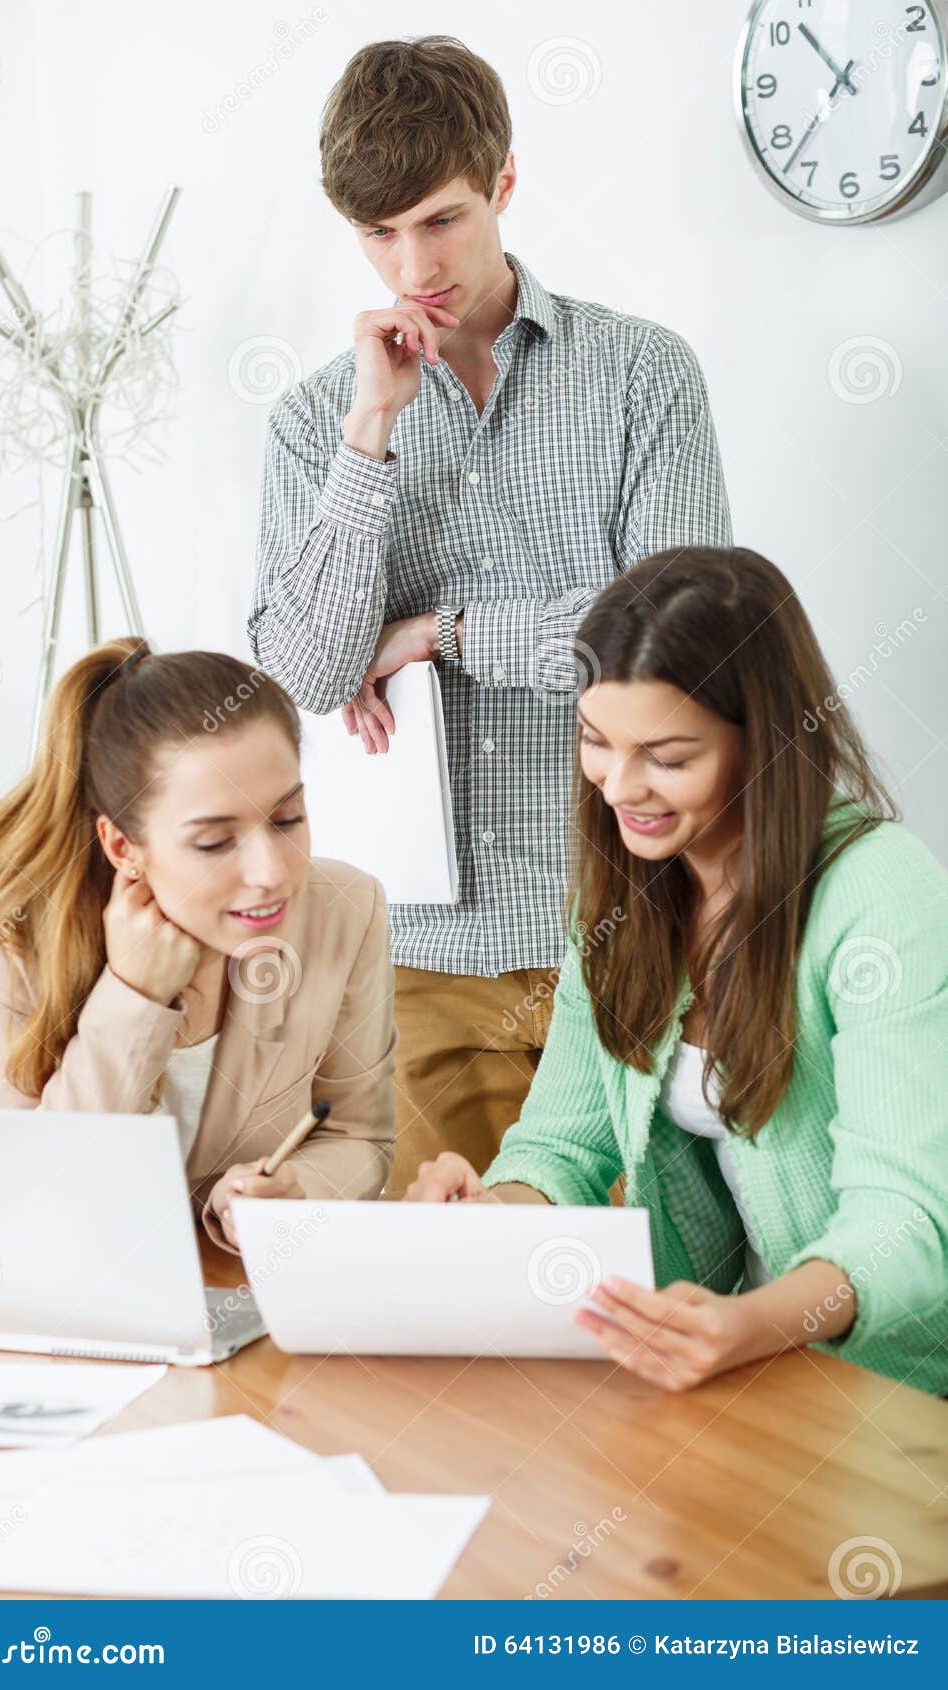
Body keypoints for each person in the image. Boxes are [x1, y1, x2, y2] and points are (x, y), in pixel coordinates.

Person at [249, 36, 733, 1198]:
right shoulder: (316, 422)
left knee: (648, 1316)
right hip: (423, 958)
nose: (411, 264)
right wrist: (371, 434)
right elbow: (306, 671)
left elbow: (679, 644)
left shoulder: (640, 376)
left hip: (629, 930)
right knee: (460, 1329)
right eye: (377, 234)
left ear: (503, 184)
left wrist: (439, 632)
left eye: (440, 220)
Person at [405, 546, 948, 1398]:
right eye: (594, 741)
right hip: (733, 1365)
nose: (621, 786)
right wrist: (491, 1217)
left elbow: (903, 1226)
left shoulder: (880, 894)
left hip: (891, 1385)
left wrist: (747, 1325)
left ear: (761, 743)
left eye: (667, 756)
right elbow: (563, 1143)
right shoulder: (630, 889)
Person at [0, 637, 395, 1252]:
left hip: (231, 1300)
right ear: (121, 847)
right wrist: (134, 997)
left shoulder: (347, 911)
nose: (271, 871)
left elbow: (358, 1135)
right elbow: (28, 1196)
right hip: (45, 1284)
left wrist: (294, 1187)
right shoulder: (13, 921)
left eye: (287, 819)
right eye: (215, 842)